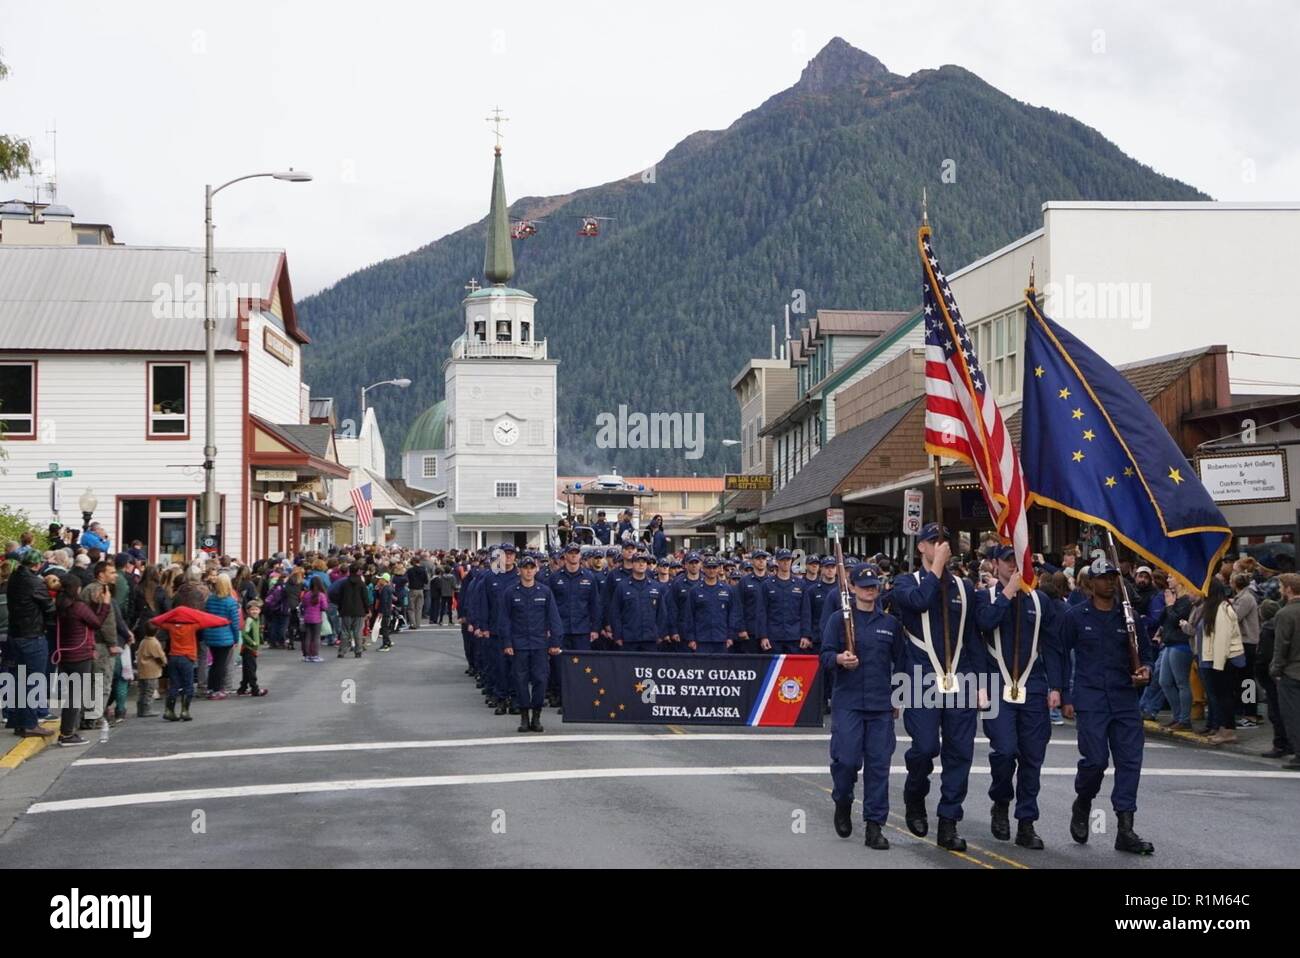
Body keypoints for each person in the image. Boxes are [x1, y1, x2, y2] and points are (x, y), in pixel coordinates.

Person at [889, 523, 987, 851]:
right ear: (921, 548)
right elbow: (918, 602)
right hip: (919, 678)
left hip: (960, 679)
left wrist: (981, 683)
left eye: (944, 541)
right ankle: (915, 796)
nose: (941, 546)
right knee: (926, 747)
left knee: (960, 753)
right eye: (934, 542)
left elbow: (973, 638)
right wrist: (937, 568)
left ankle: (948, 821)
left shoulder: (964, 587)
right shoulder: (906, 582)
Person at [1057, 554, 1155, 854]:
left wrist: (1145, 671)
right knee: (1096, 761)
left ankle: (1125, 828)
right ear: (1090, 583)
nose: (1109, 582)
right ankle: (1083, 801)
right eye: (1103, 577)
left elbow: (1146, 655)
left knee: (1129, 763)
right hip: (1091, 699)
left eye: (1113, 577)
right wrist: (1065, 696)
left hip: (1124, 698)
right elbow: (1062, 656)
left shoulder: (1129, 618)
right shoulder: (1075, 616)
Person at [973, 545, 1064, 849]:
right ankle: (1001, 801)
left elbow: (1052, 645)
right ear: (995, 563)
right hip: (996, 683)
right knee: (1004, 751)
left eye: (1019, 560)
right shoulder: (984, 597)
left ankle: (1026, 822)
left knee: (1032, 756)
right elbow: (984, 624)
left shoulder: (1040, 601)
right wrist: (1008, 592)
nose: (1014, 565)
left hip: (1033, 685)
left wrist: (1056, 686)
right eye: (1008, 560)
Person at [823, 563, 906, 849]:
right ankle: (843, 800)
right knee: (846, 762)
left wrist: (898, 696)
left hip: (880, 705)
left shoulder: (890, 624)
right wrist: (839, 660)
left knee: (878, 767)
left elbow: (902, 665)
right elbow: (824, 656)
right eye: (865, 586)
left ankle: (874, 825)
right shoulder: (839, 620)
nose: (870, 591)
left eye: (874, 587)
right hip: (848, 701)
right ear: (853, 588)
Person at [497, 555, 564, 733]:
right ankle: (524, 716)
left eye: (531, 567)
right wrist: (507, 642)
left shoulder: (545, 592)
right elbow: (505, 620)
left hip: (539, 644)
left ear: (536, 570)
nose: (528, 571)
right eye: (525, 567)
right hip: (519, 645)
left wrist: (555, 641)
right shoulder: (511, 593)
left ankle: (537, 716)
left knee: (540, 681)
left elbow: (554, 619)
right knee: (520, 681)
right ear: (519, 570)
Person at [52, 577, 111, 745]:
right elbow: (96, 622)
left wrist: (96, 604)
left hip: (64, 654)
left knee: (70, 693)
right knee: (75, 695)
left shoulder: (60, 606)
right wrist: (105, 603)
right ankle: (67, 734)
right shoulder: (78, 607)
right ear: (77, 589)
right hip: (80, 654)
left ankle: (68, 730)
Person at [4, 549, 56, 738]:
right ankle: (29, 723)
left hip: (15, 634)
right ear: (37, 565)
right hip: (32, 635)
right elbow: (49, 608)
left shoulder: (14, 579)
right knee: (33, 681)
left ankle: (18, 721)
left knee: (19, 680)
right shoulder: (35, 582)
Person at [547, 543, 601, 709]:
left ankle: (579, 699)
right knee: (560, 666)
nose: (573, 556)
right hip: (561, 629)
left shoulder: (589, 577)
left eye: (576, 553)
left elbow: (595, 605)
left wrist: (595, 628)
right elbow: (549, 606)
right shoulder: (555, 578)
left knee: (582, 665)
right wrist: (549, 628)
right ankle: (564, 698)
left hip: (582, 629)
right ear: (565, 556)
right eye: (570, 553)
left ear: (580, 556)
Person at [1268, 573, 1300, 771]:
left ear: (1288, 589)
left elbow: (1281, 646)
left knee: (1293, 715)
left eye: (1281, 587)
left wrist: (1275, 669)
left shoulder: (1285, 614)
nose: (1280, 590)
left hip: (1292, 671)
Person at [1256, 599, 1293, 759]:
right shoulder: (1277, 627)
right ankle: (1288, 742)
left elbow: (1264, 656)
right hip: (1280, 672)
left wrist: (1267, 669)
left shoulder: (1267, 630)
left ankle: (1281, 743)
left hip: (1271, 674)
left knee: (1275, 710)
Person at [1157, 579, 1195, 731]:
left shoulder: (1186, 601)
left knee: (1181, 682)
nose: (1167, 580)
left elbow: (1175, 620)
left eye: (1171, 577)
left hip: (1181, 643)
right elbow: (1162, 619)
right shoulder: (1175, 599)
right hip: (1169, 642)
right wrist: (1168, 604)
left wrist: (1171, 606)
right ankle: (1177, 714)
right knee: (1164, 681)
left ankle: (1184, 719)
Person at [202, 575, 242, 699]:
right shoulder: (231, 602)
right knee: (221, 664)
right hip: (225, 636)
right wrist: (236, 639)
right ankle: (217, 689)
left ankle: (210, 687)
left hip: (211, 634)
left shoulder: (210, 599)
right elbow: (235, 623)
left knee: (215, 663)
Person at [1229, 573, 1260, 729]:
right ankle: (1245, 711)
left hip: (1247, 642)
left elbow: (1234, 617)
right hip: (1243, 643)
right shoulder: (1241, 598)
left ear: (1236, 584)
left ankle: (1250, 714)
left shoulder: (1246, 599)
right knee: (1241, 679)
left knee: (1247, 680)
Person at [760, 548, 805, 654]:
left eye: (788, 559)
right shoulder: (767, 585)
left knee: (794, 670)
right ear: (777, 562)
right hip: (774, 636)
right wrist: (763, 636)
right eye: (782, 560)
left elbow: (805, 612)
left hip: (795, 636)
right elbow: (762, 612)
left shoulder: (800, 584)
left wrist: (806, 635)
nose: (785, 562)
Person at [237, 600, 268, 696]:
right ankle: (255, 689)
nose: (254, 611)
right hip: (248, 648)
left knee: (247, 669)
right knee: (251, 669)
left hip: (252, 648)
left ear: (260, 610)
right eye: (252, 609)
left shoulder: (256, 619)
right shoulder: (250, 620)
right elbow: (244, 633)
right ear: (248, 611)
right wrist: (253, 642)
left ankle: (242, 688)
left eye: (256, 609)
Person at [337, 566, 369, 658]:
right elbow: (365, 598)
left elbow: (340, 597)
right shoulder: (361, 583)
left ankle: (342, 651)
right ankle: (358, 650)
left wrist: (340, 608)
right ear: (358, 571)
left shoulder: (344, 583)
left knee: (345, 631)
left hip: (346, 610)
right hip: (359, 610)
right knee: (358, 631)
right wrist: (366, 609)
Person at [134, 627, 167, 717]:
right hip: (151, 671)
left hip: (142, 670)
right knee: (149, 691)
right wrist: (164, 662)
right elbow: (159, 656)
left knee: (142, 691)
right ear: (157, 631)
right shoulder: (154, 642)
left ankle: (140, 709)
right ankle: (146, 710)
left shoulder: (143, 641)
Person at [300, 578, 329, 663]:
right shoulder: (321, 595)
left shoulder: (307, 594)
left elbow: (304, 605)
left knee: (308, 636)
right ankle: (315, 655)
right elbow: (324, 607)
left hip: (307, 617)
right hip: (317, 618)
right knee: (316, 637)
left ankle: (307, 655)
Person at [405, 559, 428, 631]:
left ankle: (413, 623)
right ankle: (418, 623)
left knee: (411, 608)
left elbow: (406, 579)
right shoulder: (423, 570)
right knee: (419, 608)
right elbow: (426, 581)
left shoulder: (410, 570)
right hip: (421, 590)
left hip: (412, 589)